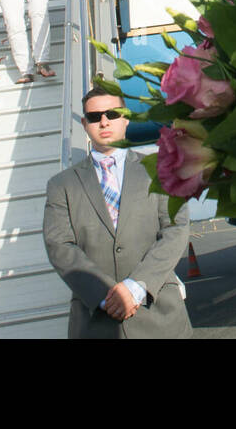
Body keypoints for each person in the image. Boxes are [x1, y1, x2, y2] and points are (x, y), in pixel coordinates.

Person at [42, 85, 193, 339]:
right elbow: (59, 246)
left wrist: (135, 288)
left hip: (160, 320)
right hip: (97, 323)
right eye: (94, 116)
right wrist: (105, 295)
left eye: (112, 114)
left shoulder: (160, 170)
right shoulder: (61, 185)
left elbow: (176, 229)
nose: (104, 122)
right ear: (84, 123)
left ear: (125, 118)